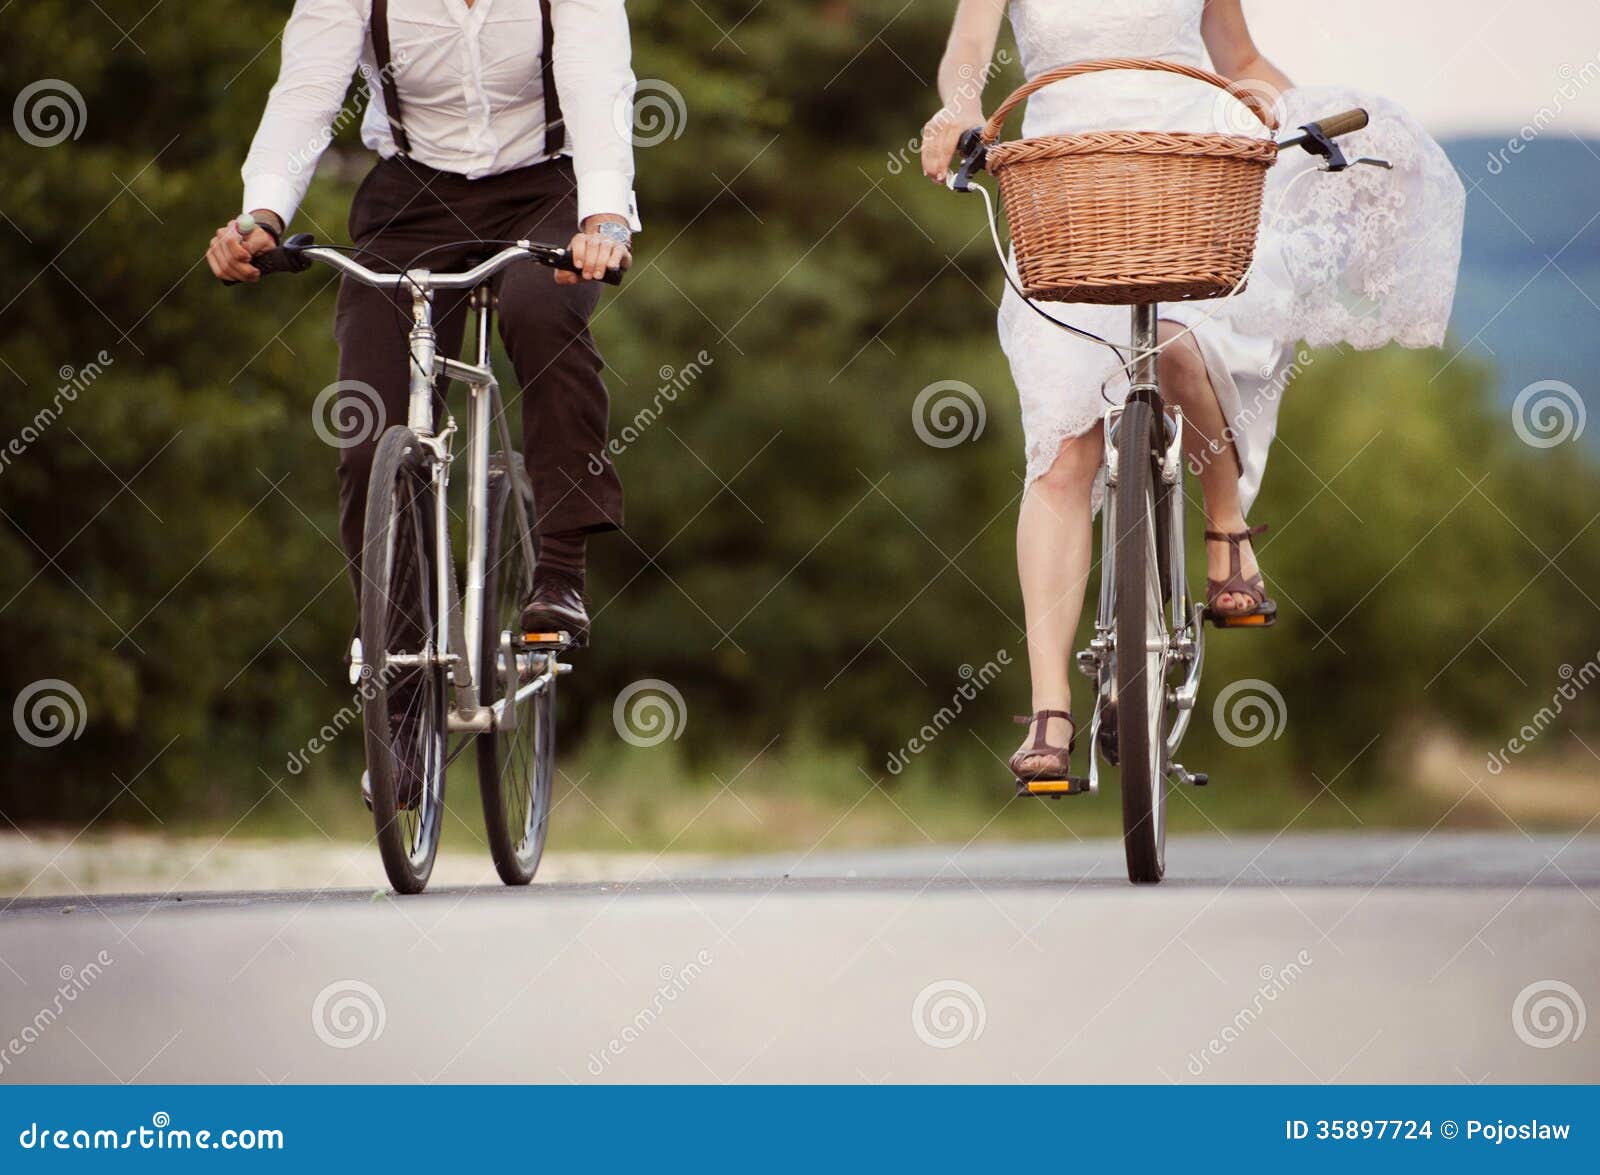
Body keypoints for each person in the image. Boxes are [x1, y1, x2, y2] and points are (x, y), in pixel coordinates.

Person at [919, 0, 1463, 784]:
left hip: (1190, 179)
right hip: (1064, 188)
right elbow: (968, 48)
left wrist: (1280, 103)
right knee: (1063, 453)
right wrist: (962, 106)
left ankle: (1226, 520)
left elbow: (1238, 55)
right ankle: (1050, 712)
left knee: (1175, 349)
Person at [204, 0, 638, 805]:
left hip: (548, 184)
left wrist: (603, 215)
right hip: (412, 199)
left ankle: (561, 571)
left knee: (542, 312)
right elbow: (306, 93)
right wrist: (264, 211)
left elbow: (597, 82)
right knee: (371, 433)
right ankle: (399, 714)